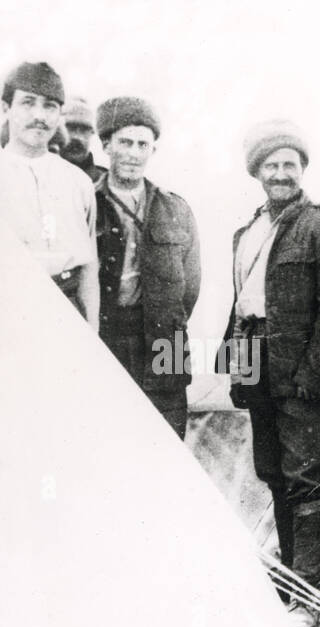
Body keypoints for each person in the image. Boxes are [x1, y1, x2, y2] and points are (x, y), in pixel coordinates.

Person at [221, 120, 320, 627]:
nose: (281, 174)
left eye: (290, 166)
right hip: (255, 358)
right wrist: (238, 369)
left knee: (304, 478)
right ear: (257, 173)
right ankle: (287, 585)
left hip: (300, 369)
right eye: (271, 166)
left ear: (302, 172)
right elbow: (239, 307)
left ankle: (308, 596)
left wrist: (314, 376)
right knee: (273, 472)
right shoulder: (245, 231)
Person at [94, 97, 200, 439]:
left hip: (166, 342)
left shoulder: (176, 208)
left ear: (153, 150)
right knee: (109, 438)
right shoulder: (86, 203)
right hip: (106, 337)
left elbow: (191, 286)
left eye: (143, 144)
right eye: (125, 142)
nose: (134, 153)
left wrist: (165, 319)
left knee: (167, 444)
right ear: (106, 145)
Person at [0, 61, 98, 320]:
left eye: (50, 106)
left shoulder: (79, 183)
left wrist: (92, 330)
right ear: (5, 108)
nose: (39, 116)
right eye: (28, 103)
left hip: (68, 308)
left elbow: (88, 268)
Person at [61, 96, 106, 182]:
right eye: (71, 127)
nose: (77, 137)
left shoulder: (103, 182)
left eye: (84, 129)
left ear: (92, 132)